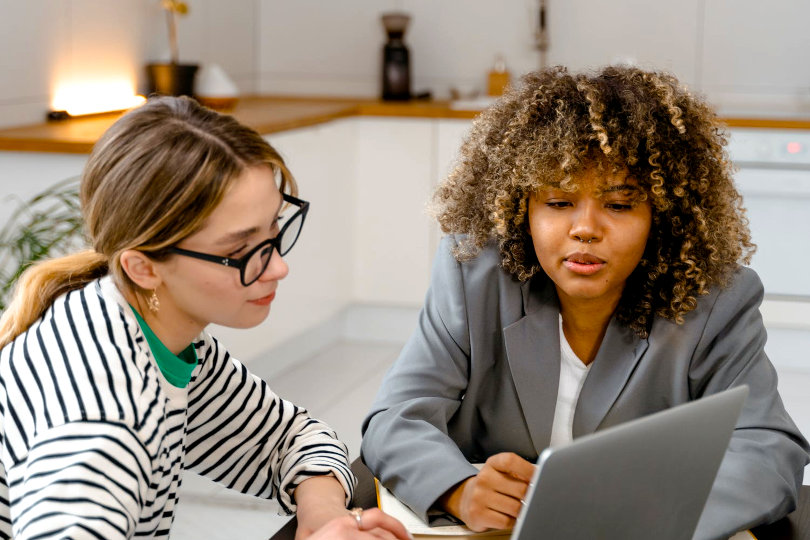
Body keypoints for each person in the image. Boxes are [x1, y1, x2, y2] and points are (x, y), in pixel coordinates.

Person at [360, 65, 810, 539]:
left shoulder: (715, 300)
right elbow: (395, 417)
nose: (586, 228)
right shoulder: (474, 275)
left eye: (618, 205)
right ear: (522, 209)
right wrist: (459, 489)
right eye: (558, 202)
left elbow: (768, 450)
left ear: (662, 214)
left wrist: (648, 519)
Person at [0, 97, 409, 540]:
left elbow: (293, 437)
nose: (277, 268)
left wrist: (325, 515)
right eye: (239, 251)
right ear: (144, 267)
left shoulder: (160, 336)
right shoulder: (101, 419)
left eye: (274, 229)